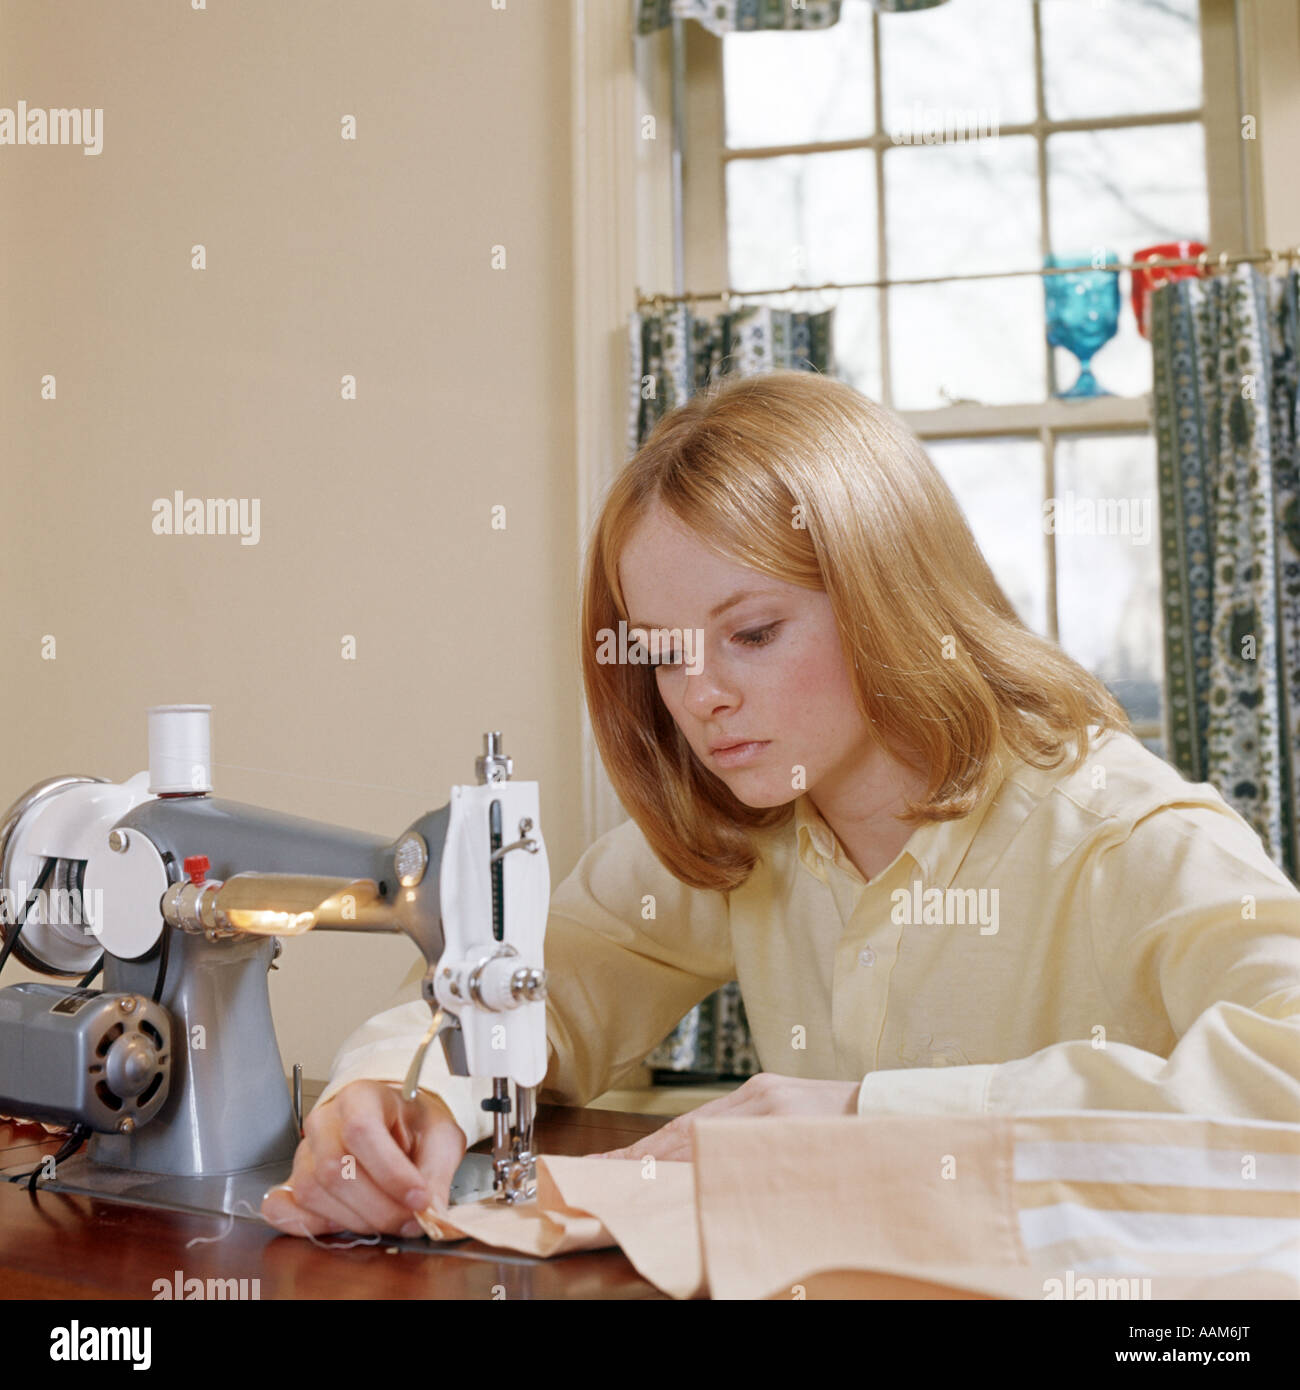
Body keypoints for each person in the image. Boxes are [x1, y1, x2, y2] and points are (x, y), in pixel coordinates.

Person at [262, 369, 1300, 1240]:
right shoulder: (742, 833)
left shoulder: (1123, 832)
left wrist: (865, 1115)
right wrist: (396, 1097)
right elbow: (522, 985)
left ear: (894, 597)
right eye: (664, 653)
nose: (699, 695)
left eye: (752, 632)